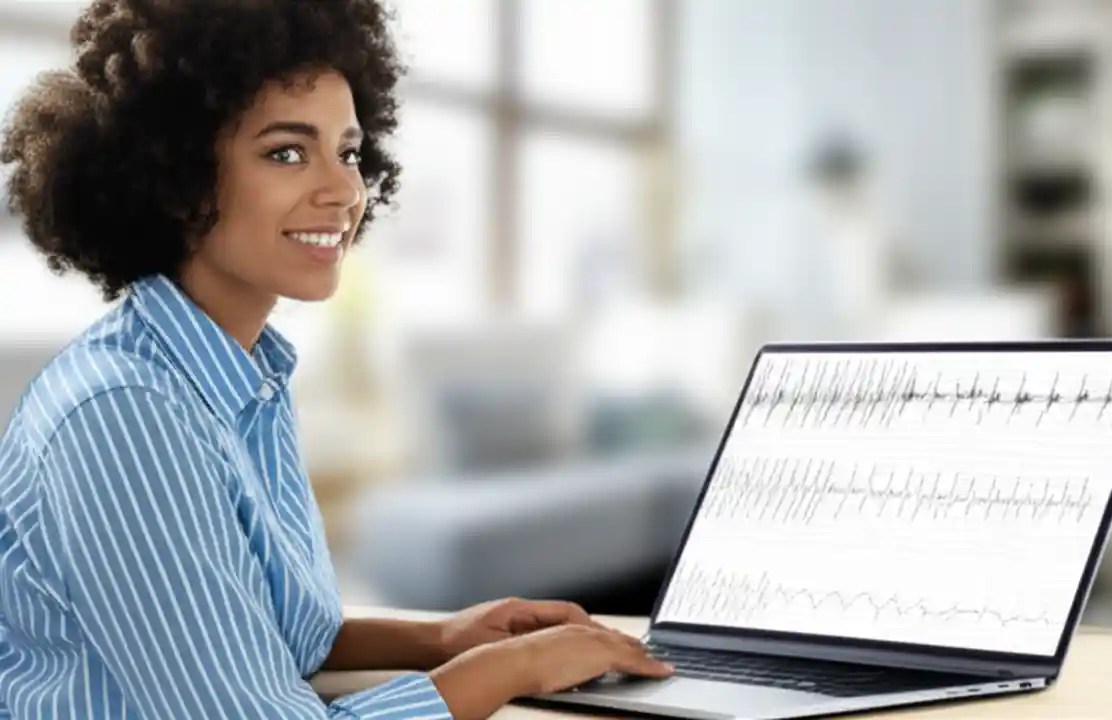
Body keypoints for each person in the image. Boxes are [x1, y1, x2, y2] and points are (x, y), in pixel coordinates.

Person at [0, 1, 674, 718]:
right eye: (287, 153)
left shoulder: (238, 377)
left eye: (348, 153)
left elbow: (262, 630)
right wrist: (516, 667)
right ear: (175, 177)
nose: (346, 191)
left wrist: (443, 638)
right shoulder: (126, 415)